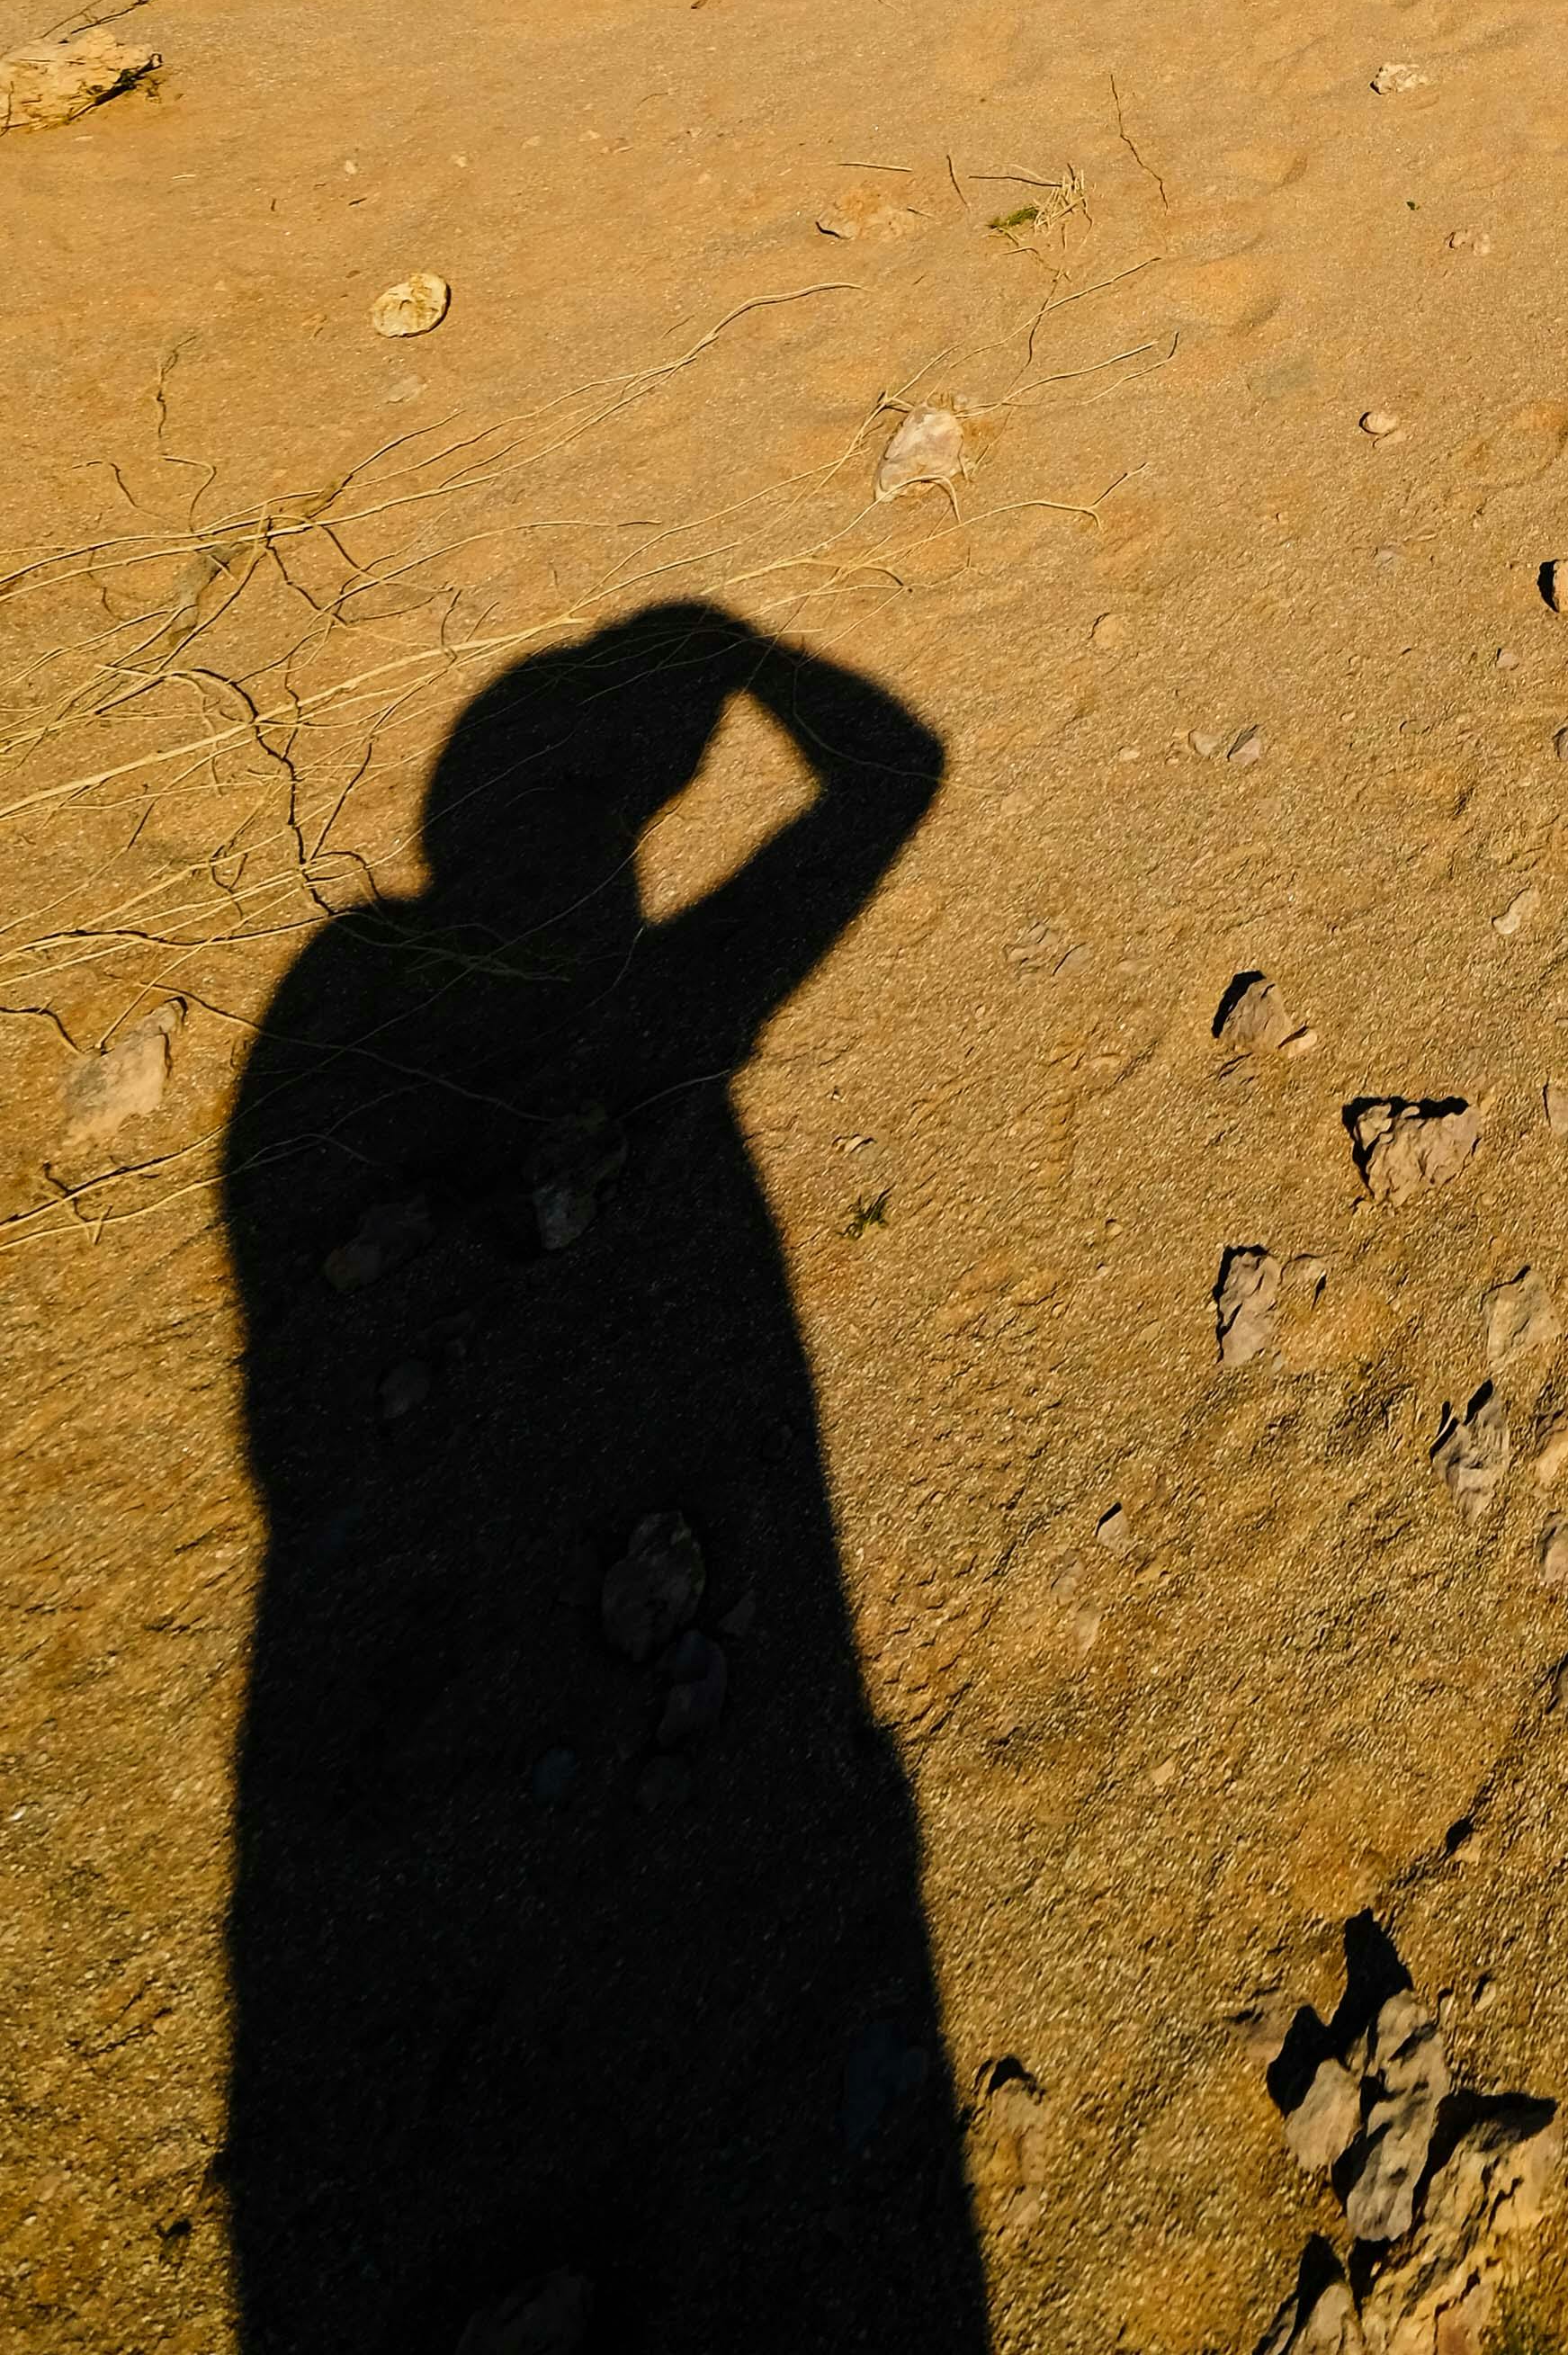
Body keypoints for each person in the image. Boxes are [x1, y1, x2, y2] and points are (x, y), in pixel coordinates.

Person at [221, 601, 986, 2352]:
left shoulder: (340, 1017)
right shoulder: (659, 1003)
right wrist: (748, 653)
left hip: (411, 1797)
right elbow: (896, 772)